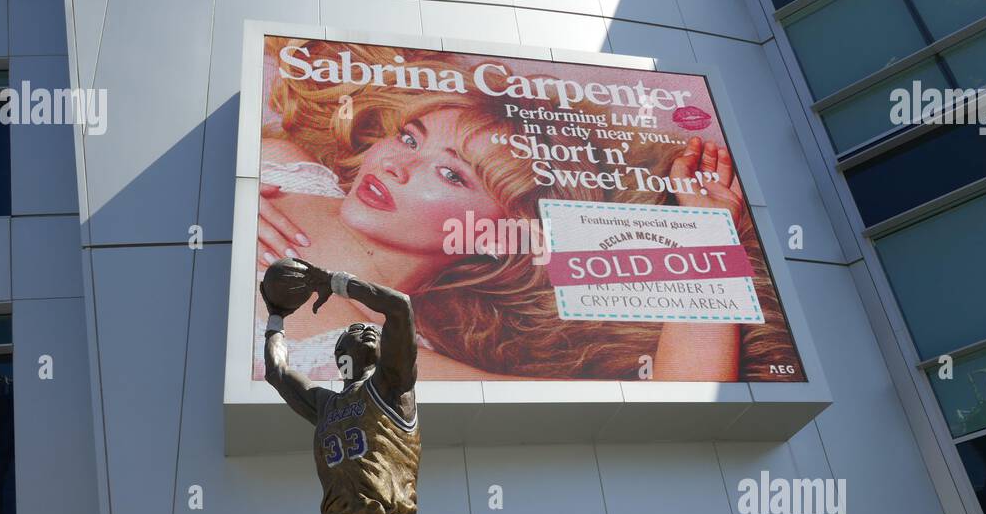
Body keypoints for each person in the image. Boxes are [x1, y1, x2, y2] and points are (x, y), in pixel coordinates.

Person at [252, 40, 801, 384]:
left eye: (451, 174)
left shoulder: (393, 354)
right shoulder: (282, 167)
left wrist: (705, 233)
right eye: (409, 137)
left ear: (499, 234)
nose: (395, 164)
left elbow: (683, 398)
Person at [240, 260, 425, 514]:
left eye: (371, 332)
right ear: (340, 356)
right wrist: (275, 315)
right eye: (355, 332)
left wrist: (335, 283)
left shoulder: (393, 387)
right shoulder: (324, 405)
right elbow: (277, 371)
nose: (366, 330)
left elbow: (400, 308)